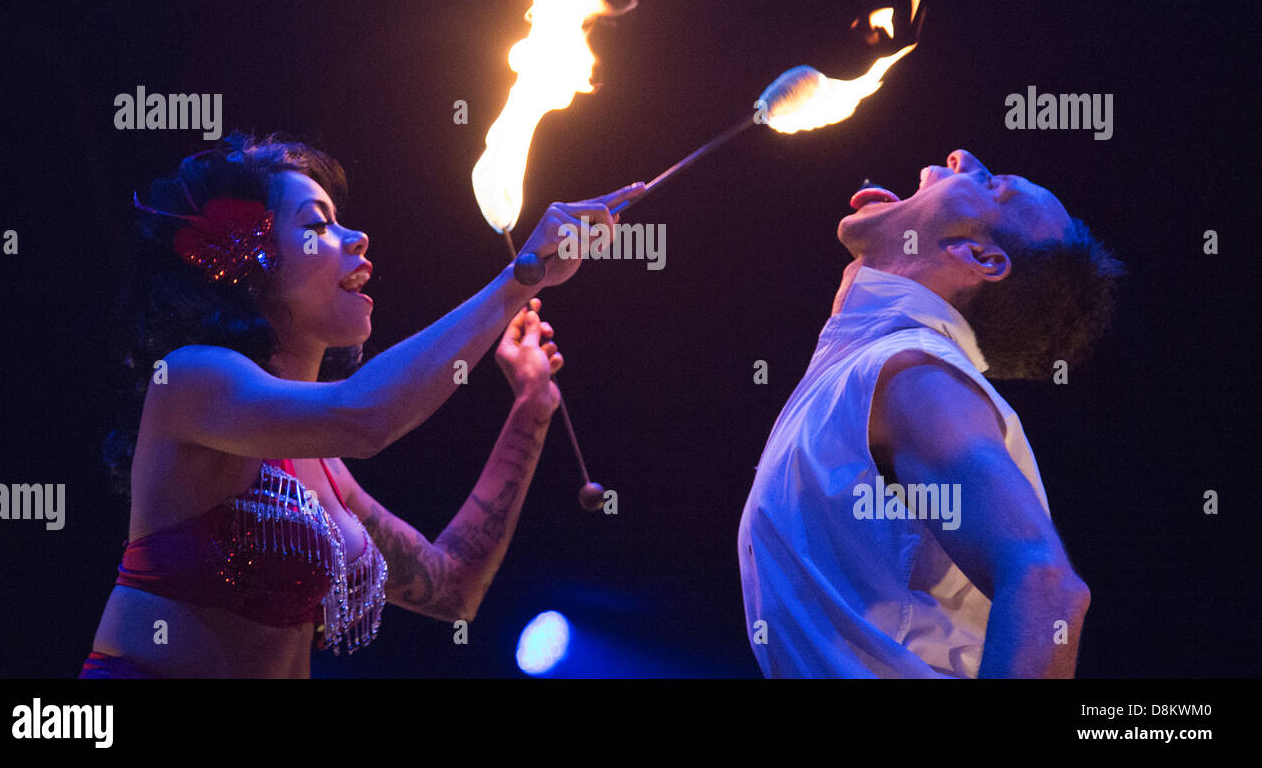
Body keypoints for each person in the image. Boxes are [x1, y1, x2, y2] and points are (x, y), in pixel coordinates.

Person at [81, 133, 644, 677]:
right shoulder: (191, 377)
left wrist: (532, 407)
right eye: (318, 224)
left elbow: (451, 589)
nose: (358, 238)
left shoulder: (321, 468)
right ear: (249, 258)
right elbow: (366, 416)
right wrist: (520, 278)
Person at [737, 149, 1125, 678]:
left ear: (980, 256)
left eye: (992, 186)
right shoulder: (873, 366)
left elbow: (1047, 585)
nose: (961, 157)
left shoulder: (911, 372)